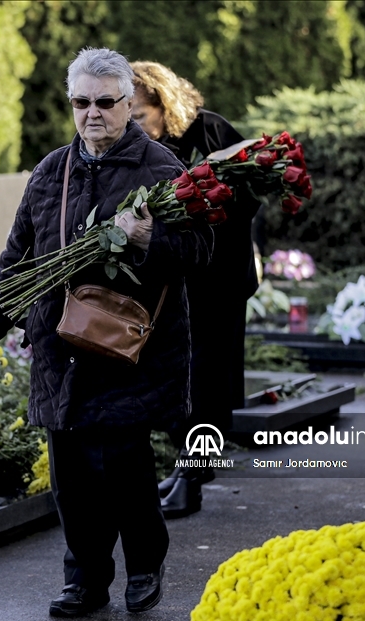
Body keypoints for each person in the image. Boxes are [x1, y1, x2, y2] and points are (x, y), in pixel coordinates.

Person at [0, 47, 213, 617]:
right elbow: (16, 260)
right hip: (61, 346)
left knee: (124, 469)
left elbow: (201, 251)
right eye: (81, 102)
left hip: (130, 349)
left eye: (105, 102)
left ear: (127, 103)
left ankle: (144, 565)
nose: (92, 113)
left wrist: (150, 240)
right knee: (71, 477)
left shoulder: (162, 170)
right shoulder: (51, 170)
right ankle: (85, 580)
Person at [130, 61, 261, 518]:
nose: (134, 126)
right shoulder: (138, 148)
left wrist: (202, 204)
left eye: (140, 116)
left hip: (217, 280)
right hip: (172, 280)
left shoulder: (210, 131)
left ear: (164, 105)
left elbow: (250, 196)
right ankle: (189, 468)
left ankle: (192, 476)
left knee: (205, 381)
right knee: (172, 378)